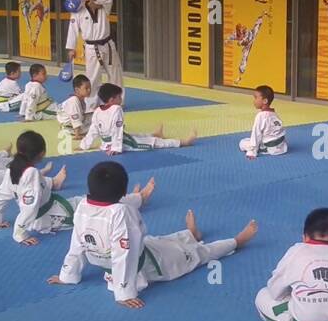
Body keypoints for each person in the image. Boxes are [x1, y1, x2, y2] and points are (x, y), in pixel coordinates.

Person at [48, 161, 258, 308]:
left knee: (161, 241)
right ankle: (235, 242)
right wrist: (124, 293)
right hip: (141, 268)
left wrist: (68, 274)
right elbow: (124, 256)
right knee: (197, 255)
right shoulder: (121, 212)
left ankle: (190, 234)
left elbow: (77, 244)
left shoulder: (84, 206)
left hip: (136, 252)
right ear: (122, 193)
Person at [80, 83, 197, 154]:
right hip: (122, 144)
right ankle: (183, 142)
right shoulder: (116, 109)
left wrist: (84, 145)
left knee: (136, 135)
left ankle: (154, 134)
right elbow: (117, 129)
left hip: (108, 143)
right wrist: (116, 148)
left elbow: (93, 130)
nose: (121, 99)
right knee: (154, 143)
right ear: (111, 100)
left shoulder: (98, 110)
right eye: (119, 97)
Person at [65, 0, 123, 96]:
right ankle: (91, 104)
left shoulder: (105, 7)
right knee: (93, 77)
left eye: (99, 0)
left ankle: (118, 100)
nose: (99, 3)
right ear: (91, 0)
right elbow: (72, 30)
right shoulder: (78, 11)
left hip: (108, 45)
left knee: (115, 74)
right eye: (96, 1)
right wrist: (71, 48)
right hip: (91, 47)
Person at [239, 84, 287, 158]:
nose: (254, 101)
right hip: (281, 146)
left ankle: (256, 149)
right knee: (254, 138)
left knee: (242, 143)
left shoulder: (261, 116)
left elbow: (256, 134)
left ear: (265, 101)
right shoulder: (274, 114)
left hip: (270, 148)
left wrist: (252, 152)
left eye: (255, 98)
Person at [57, 74, 95, 139]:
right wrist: (77, 135)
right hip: (70, 129)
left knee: (96, 114)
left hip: (72, 125)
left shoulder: (80, 99)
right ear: (77, 90)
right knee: (97, 124)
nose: (89, 90)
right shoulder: (74, 101)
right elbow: (75, 119)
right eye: (86, 88)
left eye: (90, 87)